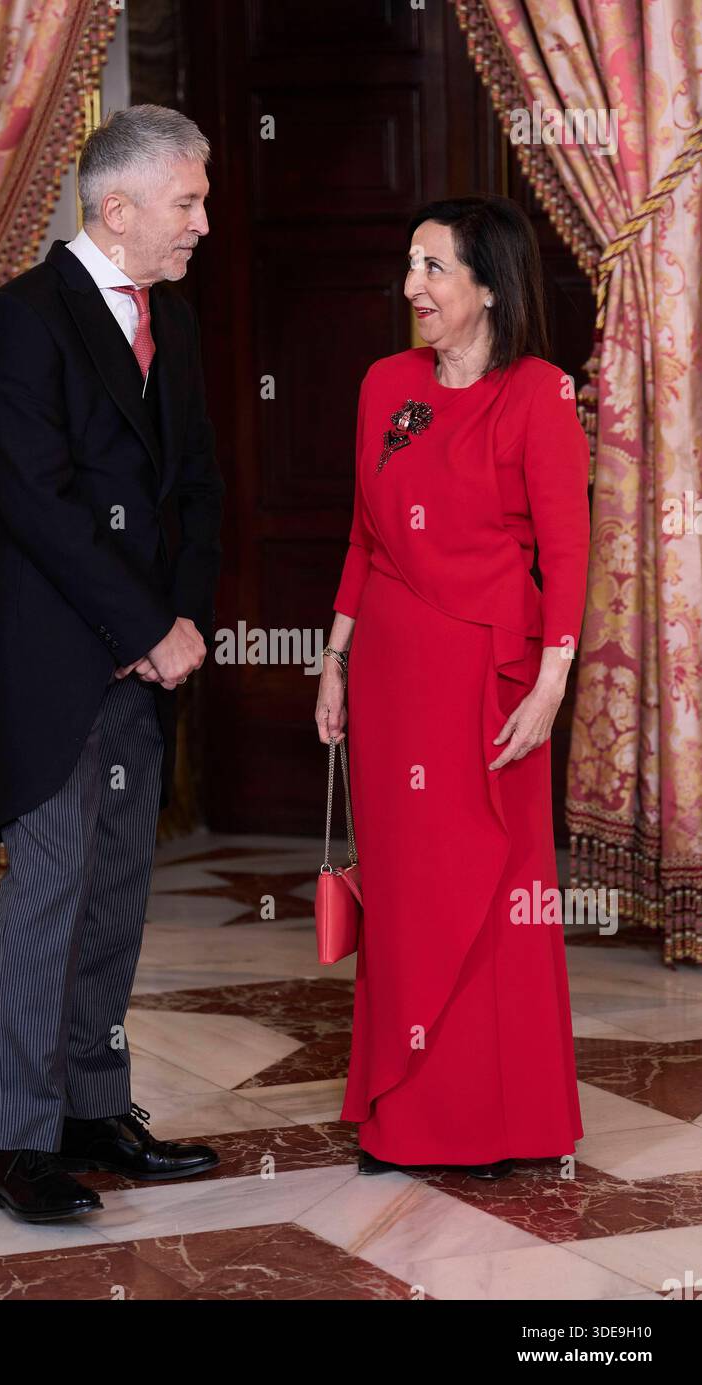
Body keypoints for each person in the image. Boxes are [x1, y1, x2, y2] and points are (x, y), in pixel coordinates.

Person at [0, 105, 225, 1222]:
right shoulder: (21, 321)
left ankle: (89, 1108)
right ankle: (18, 1142)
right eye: (189, 201)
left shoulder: (175, 322)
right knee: (52, 895)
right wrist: (140, 630)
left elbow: (201, 491)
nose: (203, 224)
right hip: (60, 660)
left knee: (117, 892)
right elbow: (40, 505)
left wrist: (184, 625)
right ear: (116, 210)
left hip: (145, 661)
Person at [316, 195, 590, 1180]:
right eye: (408, 265)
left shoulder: (540, 394)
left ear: (487, 285)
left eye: (432, 268)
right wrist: (335, 660)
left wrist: (552, 685)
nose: (410, 288)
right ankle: (400, 1114)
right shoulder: (383, 383)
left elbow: (566, 552)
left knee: (489, 892)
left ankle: (494, 1120)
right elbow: (361, 533)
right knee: (401, 891)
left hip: (492, 682)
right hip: (390, 677)